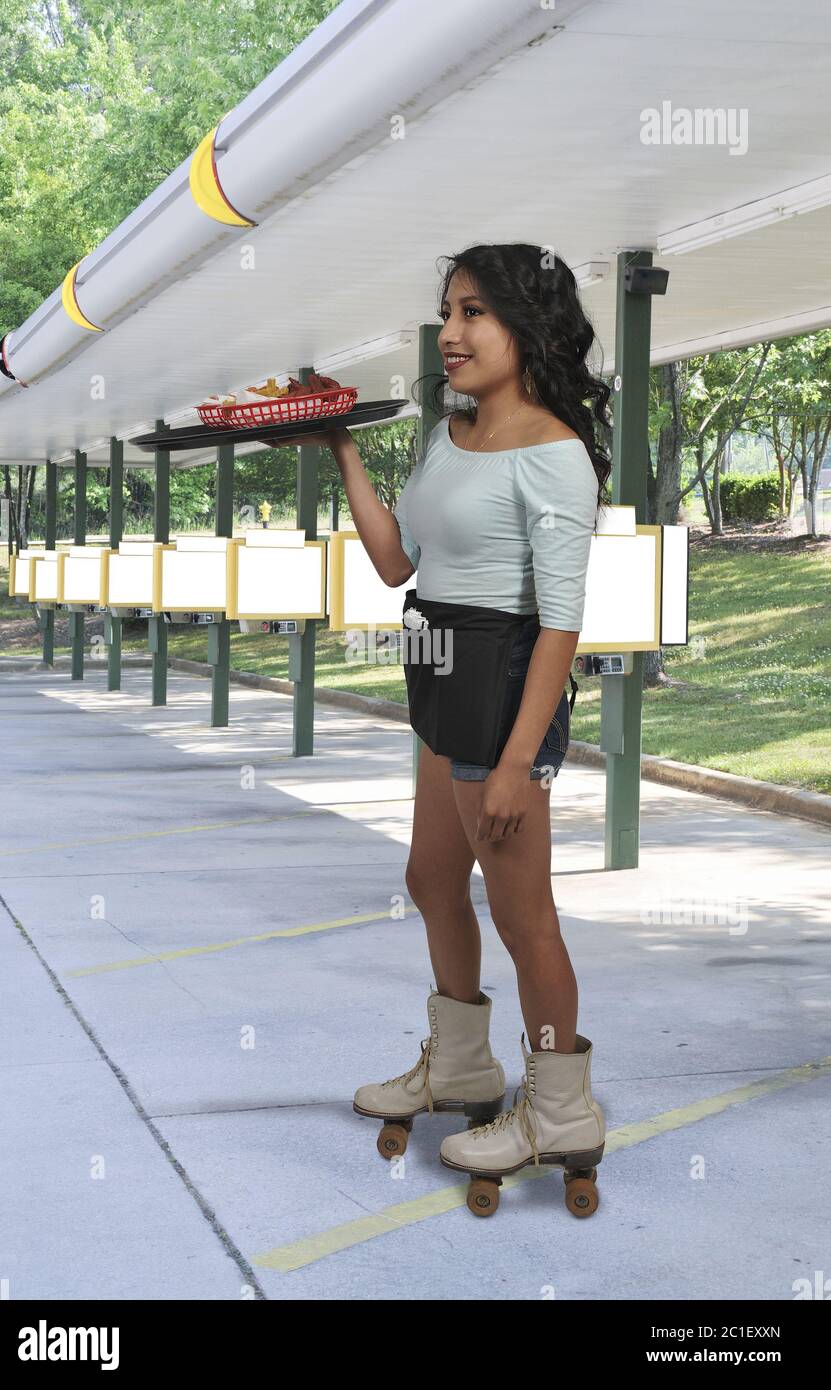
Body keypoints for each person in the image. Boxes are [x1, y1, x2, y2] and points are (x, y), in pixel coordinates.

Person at [283, 243, 611, 1209]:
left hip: (502, 688)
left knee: (523, 916)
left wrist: (516, 763)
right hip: (438, 674)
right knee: (430, 878)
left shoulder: (553, 455)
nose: (452, 333)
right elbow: (395, 565)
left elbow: (560, 623)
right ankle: (463, 1070)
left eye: (474, 313)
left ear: (529, 328)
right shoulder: (446, 435)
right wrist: (343, 447)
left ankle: (559, 1108)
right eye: (446, 312)